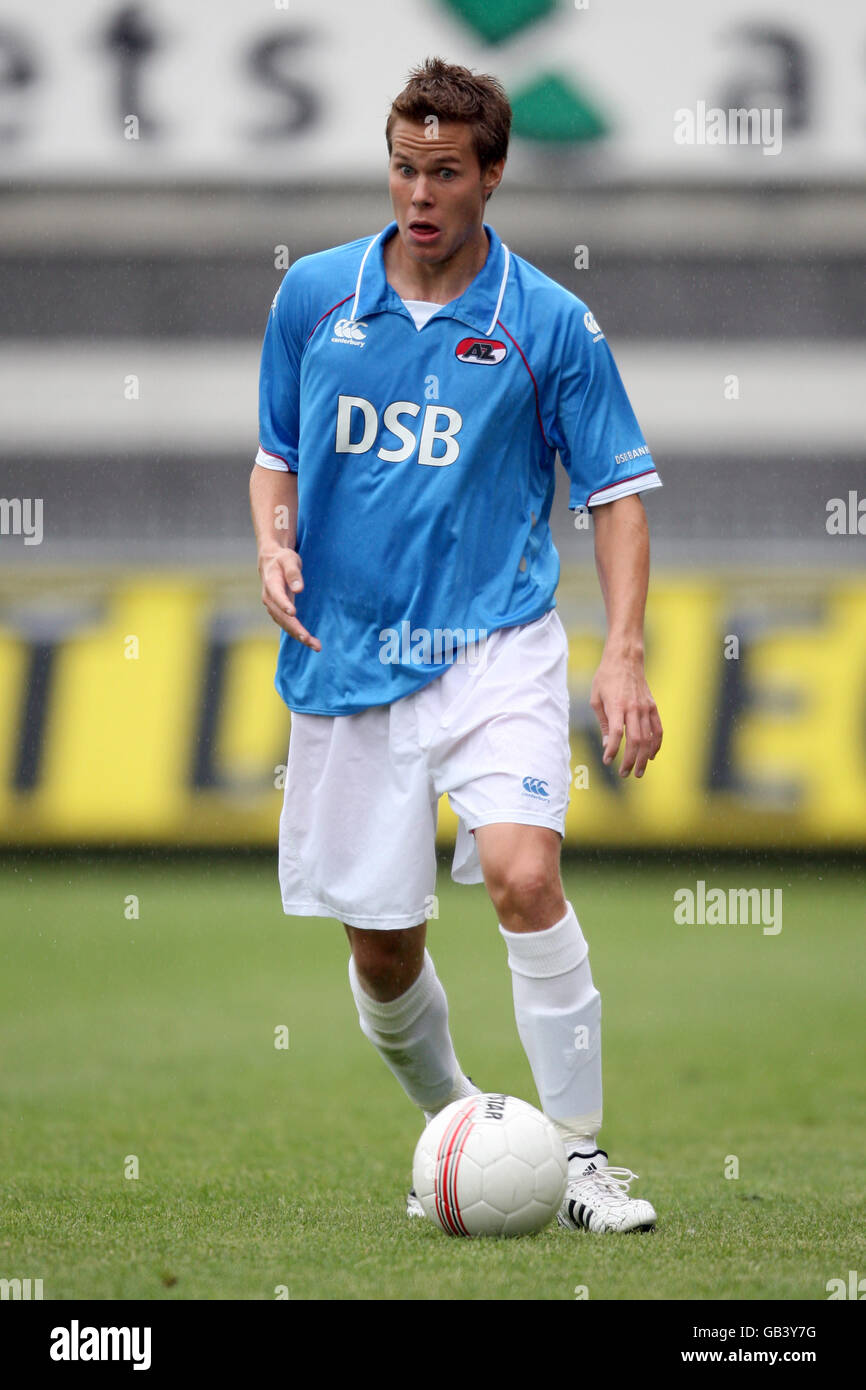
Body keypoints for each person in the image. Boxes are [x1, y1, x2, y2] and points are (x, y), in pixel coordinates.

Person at [250, 57, 663, 1233]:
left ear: (489, 177)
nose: (417, 192)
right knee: (383, 955)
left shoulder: (547, 322)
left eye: (442, 171)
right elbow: (275, 454)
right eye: (400, 166)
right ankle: (471, 1128)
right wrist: (275, 543)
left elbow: (618, 492)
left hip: (496, 648)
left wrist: (622, 651)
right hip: (345, 658)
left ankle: (577, 1160)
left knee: (526, 876)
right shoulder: (313, 297)